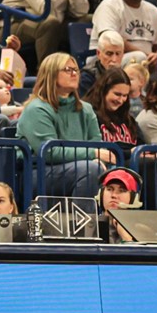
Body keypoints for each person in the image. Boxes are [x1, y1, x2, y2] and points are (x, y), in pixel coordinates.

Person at [18, 52, 113, 197]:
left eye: (76, 70)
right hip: (39, 172)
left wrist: (97, 157)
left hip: (77, 167)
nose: (74, 74)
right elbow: (49, 152)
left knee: (118, 172)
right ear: (51, 74)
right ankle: (81, 213)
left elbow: (96, 143)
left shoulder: (86, 109)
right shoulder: (36, 109)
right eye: (67, 70)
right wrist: (93, 154)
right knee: (90, 169)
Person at [90, 0, 157, 69]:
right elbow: (111, 42)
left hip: (145, 60)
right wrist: (147, 56)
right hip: (110, 58)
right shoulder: (109, 5)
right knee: (140, 58)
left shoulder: (153, 10)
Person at [83, 66, 138, 154]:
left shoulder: (128, 120)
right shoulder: (89, 115)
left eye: (125, 96)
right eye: (117, 94)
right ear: (103, 91)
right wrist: (128, 153)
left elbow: (143, 146)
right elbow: (96, 150)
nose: (120, 100)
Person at [98, 166, 141, 243]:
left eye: (121, 190)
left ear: (133, 199)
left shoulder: (141, 232)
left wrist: (127, 239)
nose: (114, 195)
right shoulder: (89, 227)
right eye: (109, 189)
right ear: (100, 194)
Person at [79, 30, 124, 96]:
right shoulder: (87, 76)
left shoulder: (124, 74)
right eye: (109, 54)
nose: (114, 59)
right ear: (98, 53)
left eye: (118, 54)